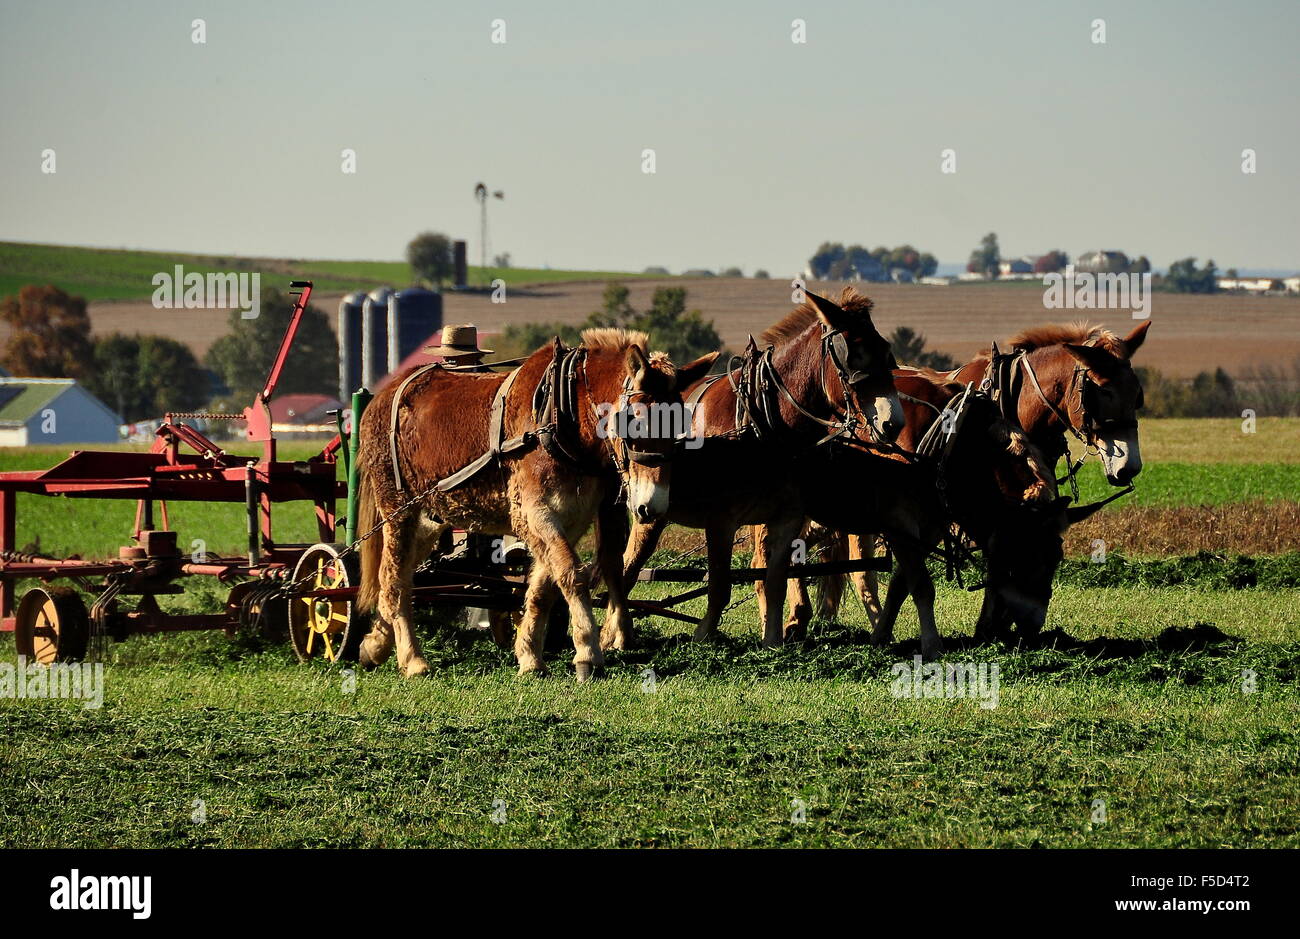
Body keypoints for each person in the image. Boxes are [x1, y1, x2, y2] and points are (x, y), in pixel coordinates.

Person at [423, 324, 494, 372]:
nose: (446, 359)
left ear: (471, 356)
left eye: (453, 355)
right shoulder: (433, 377)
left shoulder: (493, 380)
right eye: (444, 355)